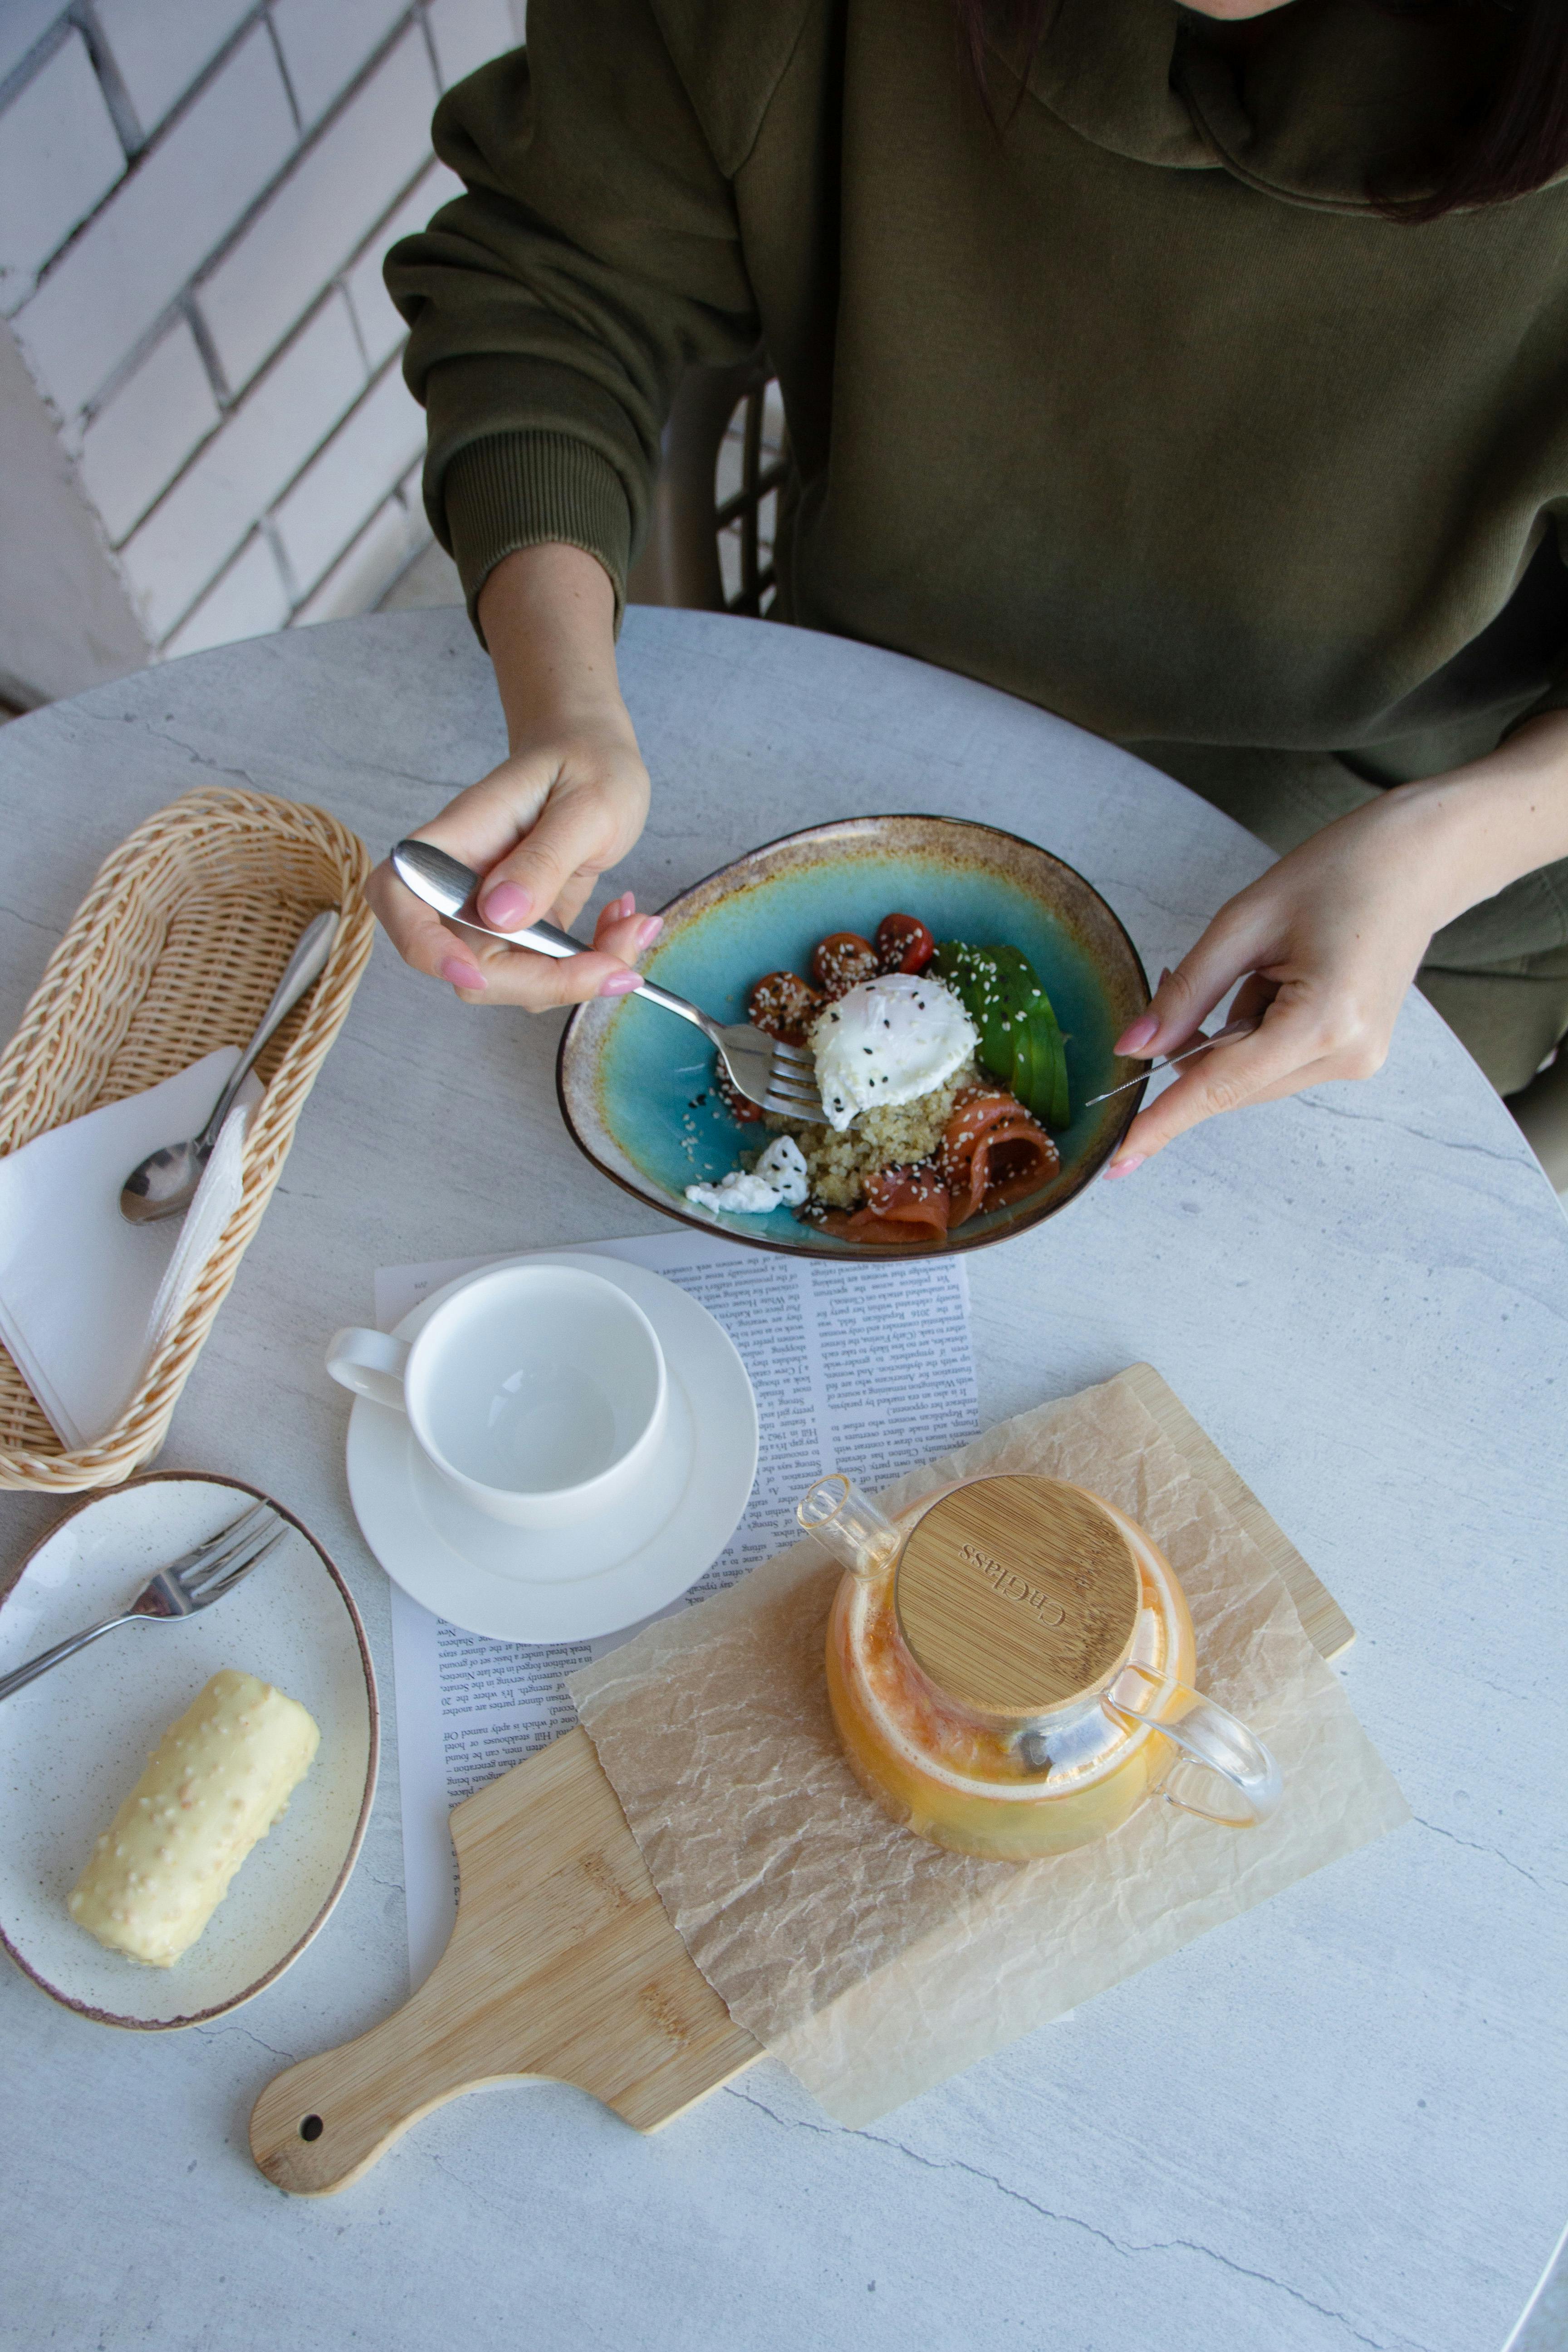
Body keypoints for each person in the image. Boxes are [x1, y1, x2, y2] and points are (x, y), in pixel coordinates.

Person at [369, 0, 1568, 1180]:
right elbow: (560, 273)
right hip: (880, 752)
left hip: (1393, 912)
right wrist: (564, 697)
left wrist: (1448, 845)